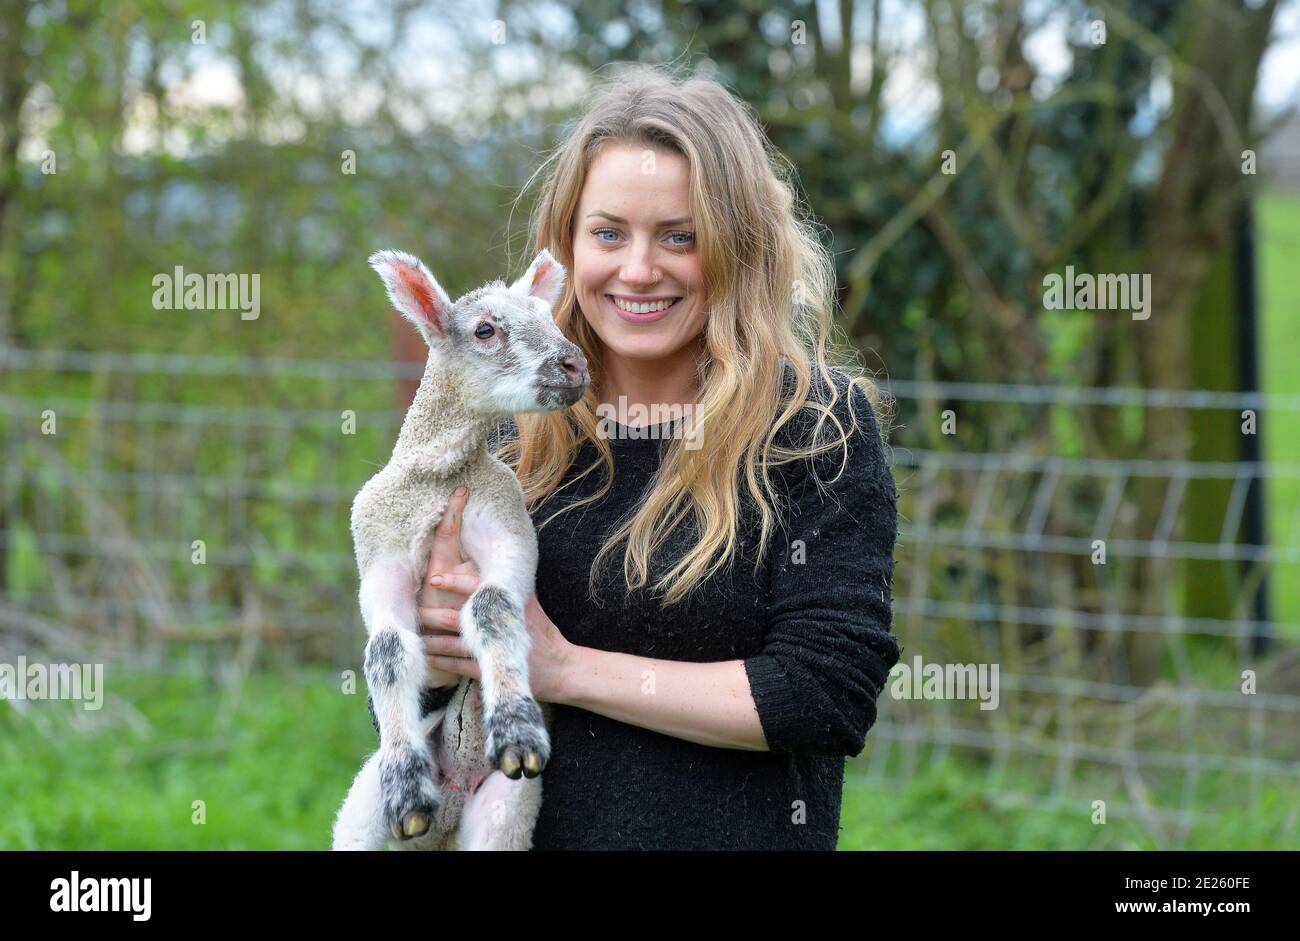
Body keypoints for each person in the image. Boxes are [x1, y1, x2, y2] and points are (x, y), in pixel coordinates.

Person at [404, 63, 900, 850]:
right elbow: (406, 702)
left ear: (740, 247)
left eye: (681, 236)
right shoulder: (498, 434)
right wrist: (435, 648)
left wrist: (563, 670)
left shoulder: (815, 429)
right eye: (608, 233)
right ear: (565, 245)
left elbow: (823, 694)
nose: (638, 269)